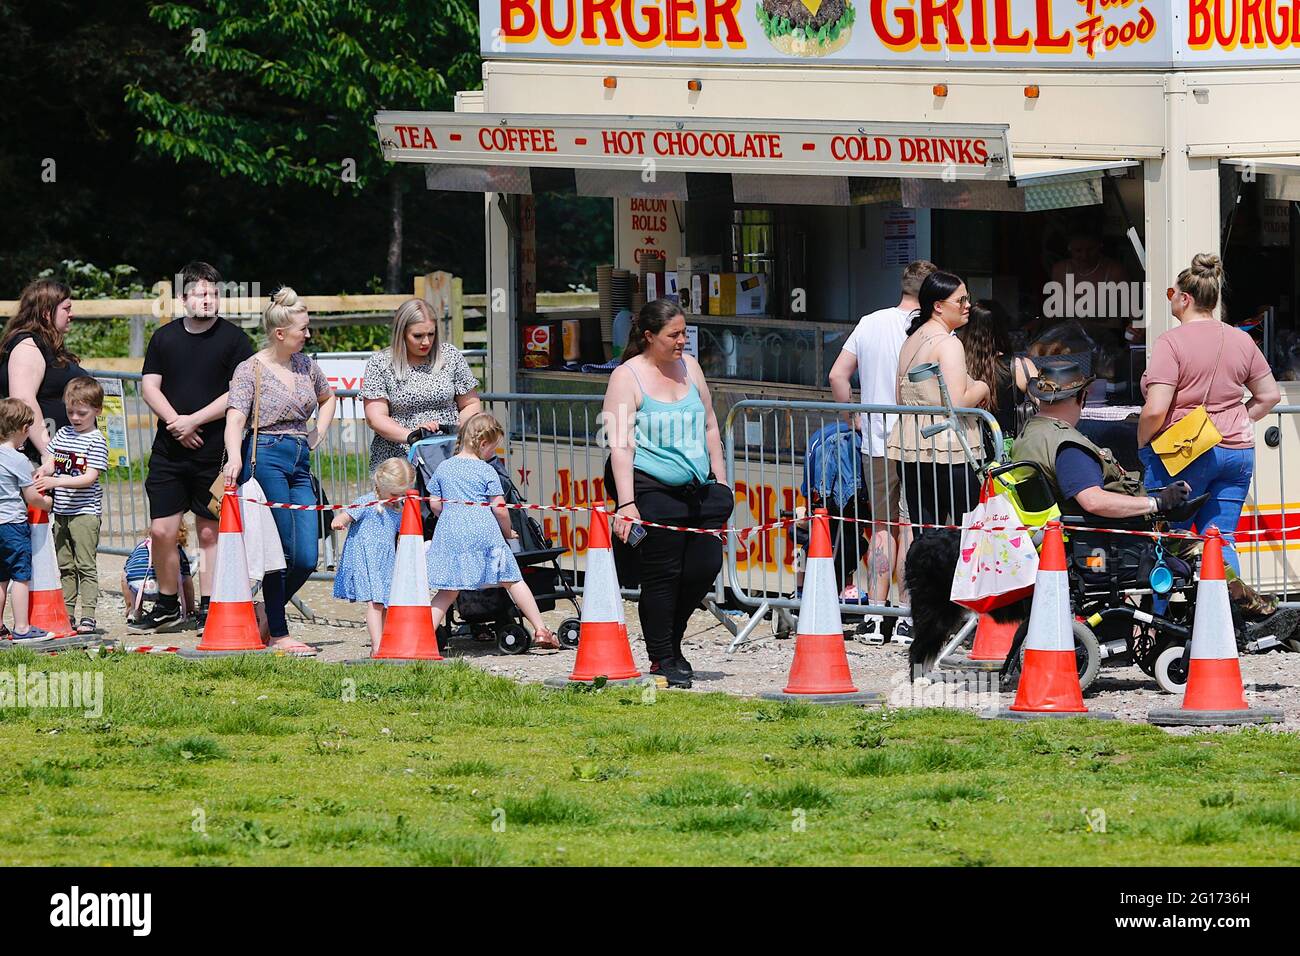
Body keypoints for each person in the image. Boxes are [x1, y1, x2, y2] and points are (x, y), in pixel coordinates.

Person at [1014, 358, 1281, 622]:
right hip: (1109, 542)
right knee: (1201, 548)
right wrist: (1156, 503)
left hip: (1078, 539)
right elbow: (1093, 501)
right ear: (1081, 397)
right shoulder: (1069, 446)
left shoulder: (1029, 434)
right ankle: (1250, 613)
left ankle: (1240, 609)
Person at [603, 299, 732, 688]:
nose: (682, 341)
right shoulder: (627, 377)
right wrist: (627, 505)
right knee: (663, 576)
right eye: (673, 335)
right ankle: (663, 656)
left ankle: (671, 642)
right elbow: (621, 446)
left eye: (684, 333)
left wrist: (721, 481)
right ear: (649, 336)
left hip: (698, 487)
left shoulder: (690, 368)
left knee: (704, 566)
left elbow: (711, 425)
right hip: (651, 486)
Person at [1138, 254, 1281, 576]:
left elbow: (1157, 408)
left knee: (1168, 542)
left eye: (1171, 294)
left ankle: (1162, 621)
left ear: (1185, 298)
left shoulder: (1170, 343)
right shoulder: (1242, 340)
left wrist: (1143, 441)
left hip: (1183, 452)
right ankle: (1228, 617)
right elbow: (1269, 395)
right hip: (1237, 451)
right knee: (1220, 540)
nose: (1171, 300)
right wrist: (1239, 418)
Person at [135, 261, 254, 633]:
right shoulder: (164, 338)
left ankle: (210, 607)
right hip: (169, 451)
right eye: (201, 293)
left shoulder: (235, 340)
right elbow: (149, 386)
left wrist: (195, 420)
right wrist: (176, 423)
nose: (208, 299)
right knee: (162, 531)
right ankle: (168, 603)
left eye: (214, 293)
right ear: (184, 297)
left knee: (209, 531)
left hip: (215, 451)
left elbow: (238, 393)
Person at [222, 287, 336, 656]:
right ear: (280, 333)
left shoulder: (307, 366)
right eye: (302, 329)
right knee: (281, 549)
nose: (308, 334)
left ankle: (263, 613)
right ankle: (279, 633)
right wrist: (234, 456)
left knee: (306, 555)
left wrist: (318, 432)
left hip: (300, 460)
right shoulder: (249, 369)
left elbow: (328, 397)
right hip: (265, 456)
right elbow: (235, 416)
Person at [828, 259, 936, 641]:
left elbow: (837, 375)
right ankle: (907, 616)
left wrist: (854, 418)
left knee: (880, 526)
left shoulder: (870, 321)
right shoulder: (928, 329)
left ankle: (874, 617)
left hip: (874, 438)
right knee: (908, 526)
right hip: (913, 440)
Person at [425, 413, 559, 651]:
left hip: (450, 533)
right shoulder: (486, 470)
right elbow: (499, 509)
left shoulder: (444, 467)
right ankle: (540, 629)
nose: (492, 454)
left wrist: (448, 515)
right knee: (513, 580)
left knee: (447, 590)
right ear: (483, 443)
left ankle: (421, 638)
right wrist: (508, 532)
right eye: (492, 448)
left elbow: (434, 503)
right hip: (483, 532)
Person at [887, 271, 988, 529]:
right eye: (961, 300)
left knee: (926, 534)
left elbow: (901, 398)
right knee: (969, 534)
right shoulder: (948, 343)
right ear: (938, 306)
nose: (968, 306)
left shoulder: (911, 340)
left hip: (912, 448)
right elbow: (958, 401)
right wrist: (983, 387)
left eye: (968, 299)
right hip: (950, 449)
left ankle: (925, 572)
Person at [361, 299, 481, 476]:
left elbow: (470, 404)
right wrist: (414, 436)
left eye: (431, 334)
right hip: (400, 459)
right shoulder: (380, 363)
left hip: (448, 452)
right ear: (401, 333)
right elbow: (375, 417)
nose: (426, 342)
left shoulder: (450, 356)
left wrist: (456, 431)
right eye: (417, 336)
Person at [34, 377, 108, 634]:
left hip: (85, 513)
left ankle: (88, 615)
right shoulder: (64, 433)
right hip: (62, 511)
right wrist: (43, 470)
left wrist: (55, 481)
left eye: (82, 412)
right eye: (70, 411)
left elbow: (90, 477)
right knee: (65, 565)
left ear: (97, 410)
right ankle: (67, 613)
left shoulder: (96, 440)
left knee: (85, 564)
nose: (75, 417)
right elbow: (51, 460)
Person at [0, 278, 89, 468]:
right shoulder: (28, 345)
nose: (71, 314)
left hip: (62, 455)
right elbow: (24, 400)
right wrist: (48, 452)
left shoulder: (46, 343)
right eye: (66, 308)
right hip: (39, 459)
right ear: (47, 313)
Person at [331, 457, 417, 654]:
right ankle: (377, 646)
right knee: (376, 603)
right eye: (395, 494)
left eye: (402, 494)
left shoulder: (397, 509)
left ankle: (385, 642)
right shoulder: (367, 501)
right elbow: (343, 517)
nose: (398, 498)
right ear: (382, 484)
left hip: (386, 561)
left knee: (386, 603)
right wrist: (339, 522)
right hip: (366, 558)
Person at [0, 398, 54, 642]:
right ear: (23, 430)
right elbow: (32, 497)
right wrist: (48, 503)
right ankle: (22, 627)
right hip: (12, 524)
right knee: (20, 576)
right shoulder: (18, 459)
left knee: (0, 578)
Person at [956, 300, 1038, 447]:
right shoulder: (1020, 366)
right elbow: (1043, 404)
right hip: (1010, 451)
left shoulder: (957, 366)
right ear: (1003, 328)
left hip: (969, 450)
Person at [121, 524, 197, 625]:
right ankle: (177, 609)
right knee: (182, 576)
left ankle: (134, 610)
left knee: (127, 575)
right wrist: (190, 608)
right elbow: (187, 583)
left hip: (139, 588)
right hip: (165, 590)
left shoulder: (140, 547)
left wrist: (129, 604)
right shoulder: (176, 550)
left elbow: (127, 572)